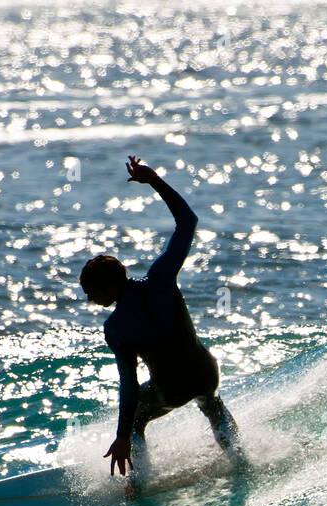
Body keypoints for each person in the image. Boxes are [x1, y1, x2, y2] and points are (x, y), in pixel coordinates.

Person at [79, 155, 239, 477]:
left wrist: (123, 436)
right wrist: (154, 181)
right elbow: (188, 221)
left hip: (171, 387)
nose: (89, 298)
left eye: (91, 290)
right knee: (211, 402)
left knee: (138, 416)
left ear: (110, 284)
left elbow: (129, 383)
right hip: (206, 371)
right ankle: (239, 459)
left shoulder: (116, 327)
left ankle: (137, 486)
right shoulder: (162, 278)